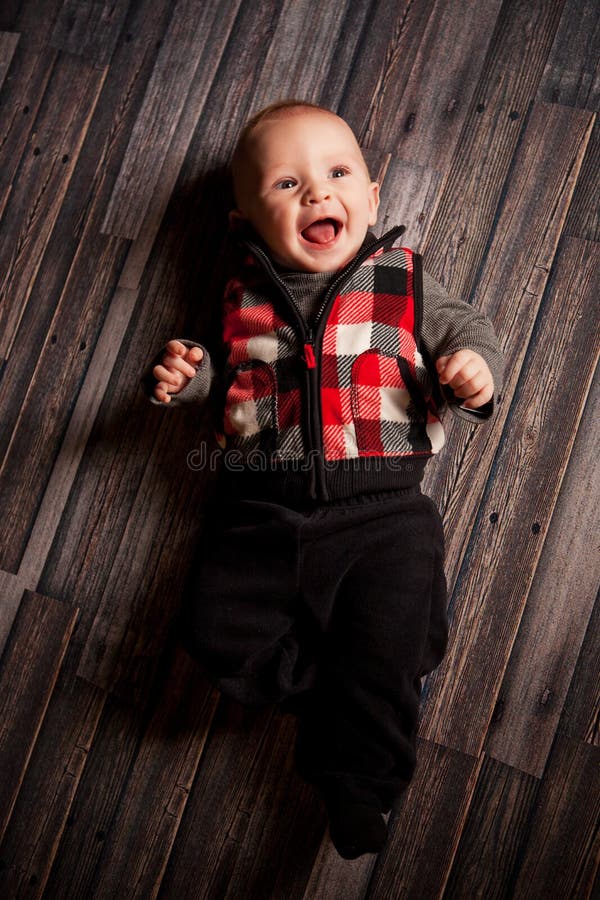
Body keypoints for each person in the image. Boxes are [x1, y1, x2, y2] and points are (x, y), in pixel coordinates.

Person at [140, 100, 504, 859]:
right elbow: (227, 372)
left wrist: (472, 370)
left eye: (338, 174)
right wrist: (190, 375)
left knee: (396, 625)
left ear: (372, 198)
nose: (316, 193)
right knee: (215, 636)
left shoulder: (400, 279)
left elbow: (468, 329)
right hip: (258, 512)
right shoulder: (244, 293)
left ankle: (360, 783)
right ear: (244, 223)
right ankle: (335, 679)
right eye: (285, 183)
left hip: (384, 512)